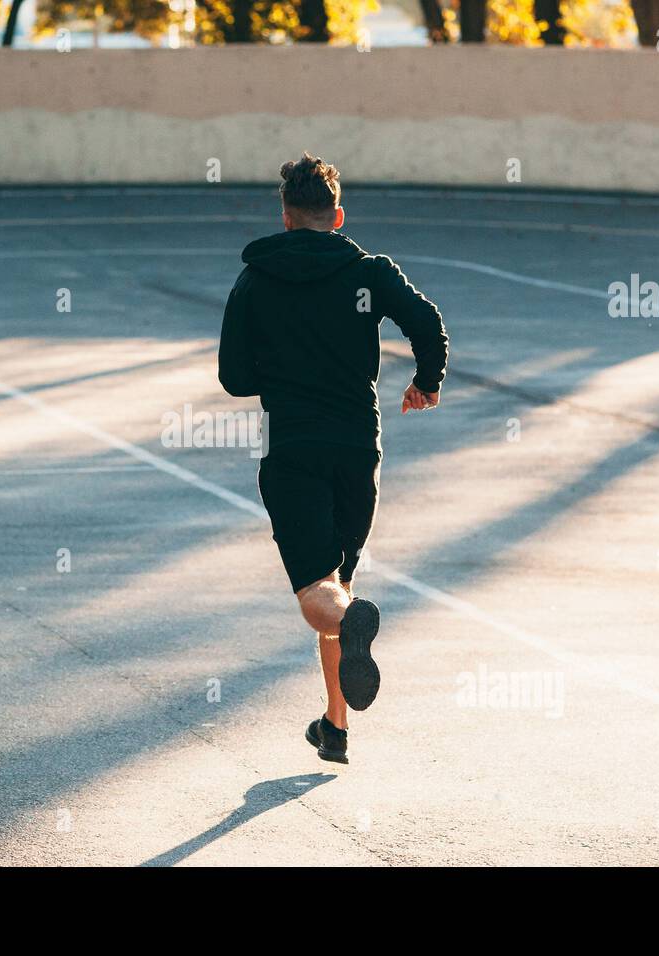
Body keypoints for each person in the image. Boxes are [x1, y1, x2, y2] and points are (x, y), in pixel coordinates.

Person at [218, 153, 449, 764]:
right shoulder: (367, 273)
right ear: (337, 216)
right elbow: (427, 322)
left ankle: (349, 635)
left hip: (294, 447)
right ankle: (336, 727)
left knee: (321, 596)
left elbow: (234, 377)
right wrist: (427, 381)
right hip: (357, 447)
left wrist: (281, 368)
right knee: (340, 582)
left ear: (287, 220)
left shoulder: (255, 279)